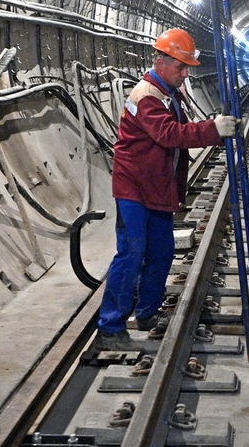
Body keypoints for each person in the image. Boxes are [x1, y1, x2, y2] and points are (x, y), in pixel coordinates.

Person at [96, 28, 238, 350]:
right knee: (131, 254)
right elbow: (170, 134)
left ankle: (147, 312)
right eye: (180, 67)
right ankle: (109, 327)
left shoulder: (168, 92)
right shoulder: (147, 95)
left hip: (156, 187)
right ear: (160, 62)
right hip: (134, 188)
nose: (185, 73)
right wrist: (212, 130)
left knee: (161, 253)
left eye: (187, 67)